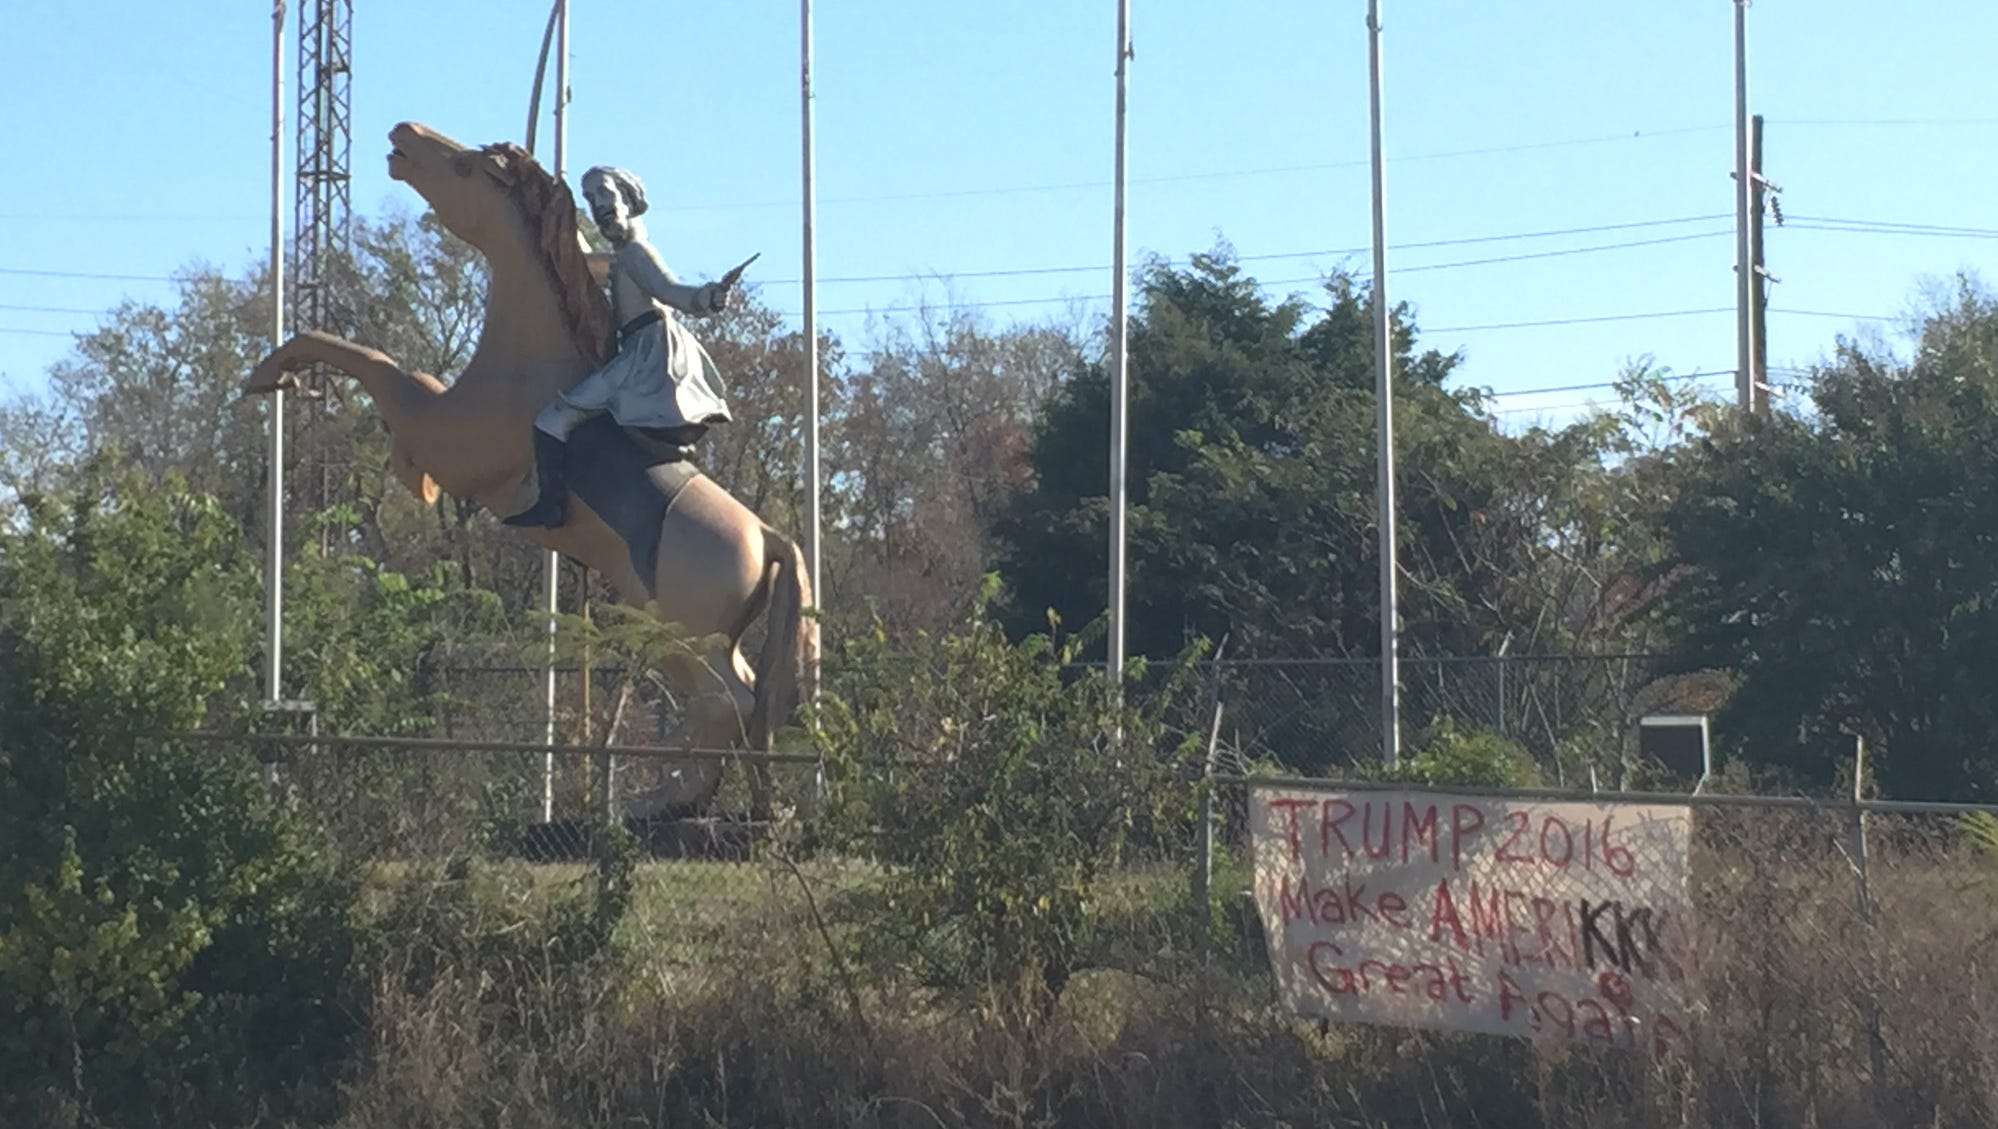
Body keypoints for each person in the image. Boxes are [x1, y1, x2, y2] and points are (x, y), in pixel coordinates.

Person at [504, 164, 751, 529]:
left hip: (646, 356)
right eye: (590, 199)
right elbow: (580, 264)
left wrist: (706, 296)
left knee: (552, 419)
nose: (598, 205)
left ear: (629, 197)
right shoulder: (623, 256)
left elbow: (670, 291)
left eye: (604, 193)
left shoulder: (636, 253)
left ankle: (551, 505)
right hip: (642, 350)